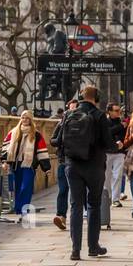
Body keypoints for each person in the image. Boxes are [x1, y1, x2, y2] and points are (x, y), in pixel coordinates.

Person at [53, 83, 114, 260]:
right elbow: (108, 143)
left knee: (75, 206)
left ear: (80, 97)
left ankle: (75, 250)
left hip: (72, 165)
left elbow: (57, 140)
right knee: (93, 205)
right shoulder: (99, 116)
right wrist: (116, 145)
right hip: (94, 166)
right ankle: (93, 247)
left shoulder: (68, 114)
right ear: (96, 98)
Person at [1, 110, 51, 218]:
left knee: (26, 187)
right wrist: (4, 161)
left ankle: (24, 209)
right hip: (16, 164)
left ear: (30, 120)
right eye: (23, 118)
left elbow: (41, 151)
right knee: (18, 188)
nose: (25, 120)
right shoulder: (13, 132)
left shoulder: (36, 134)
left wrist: (46, 168)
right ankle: (19, 211)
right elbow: (5, 147)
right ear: (20, 119)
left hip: (29, 166)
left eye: (27, 118)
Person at [51, 99, 78, 230]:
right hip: (63, 161)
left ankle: (80, 215)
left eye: (74, 109)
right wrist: (62, 128)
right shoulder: (61, 124)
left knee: (77, 191)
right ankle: (61, 216)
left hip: (77, 162)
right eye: (69, 109)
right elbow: (53, 141)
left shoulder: (83, 124)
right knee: (62, 190)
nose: (71, 112)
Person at [102, 101, 127, 229]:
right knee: (106, 176)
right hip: (107, 151)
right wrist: (120, 128)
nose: (118, 113)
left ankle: (115, 199)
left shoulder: (122, 123)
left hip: (119, 152)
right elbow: (106, 134)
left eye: (119, 111)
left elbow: (125, 136)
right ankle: (108, 197)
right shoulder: (105, 122)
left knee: (118, 175)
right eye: (116, 111)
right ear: (109, 111)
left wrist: (122, 142)